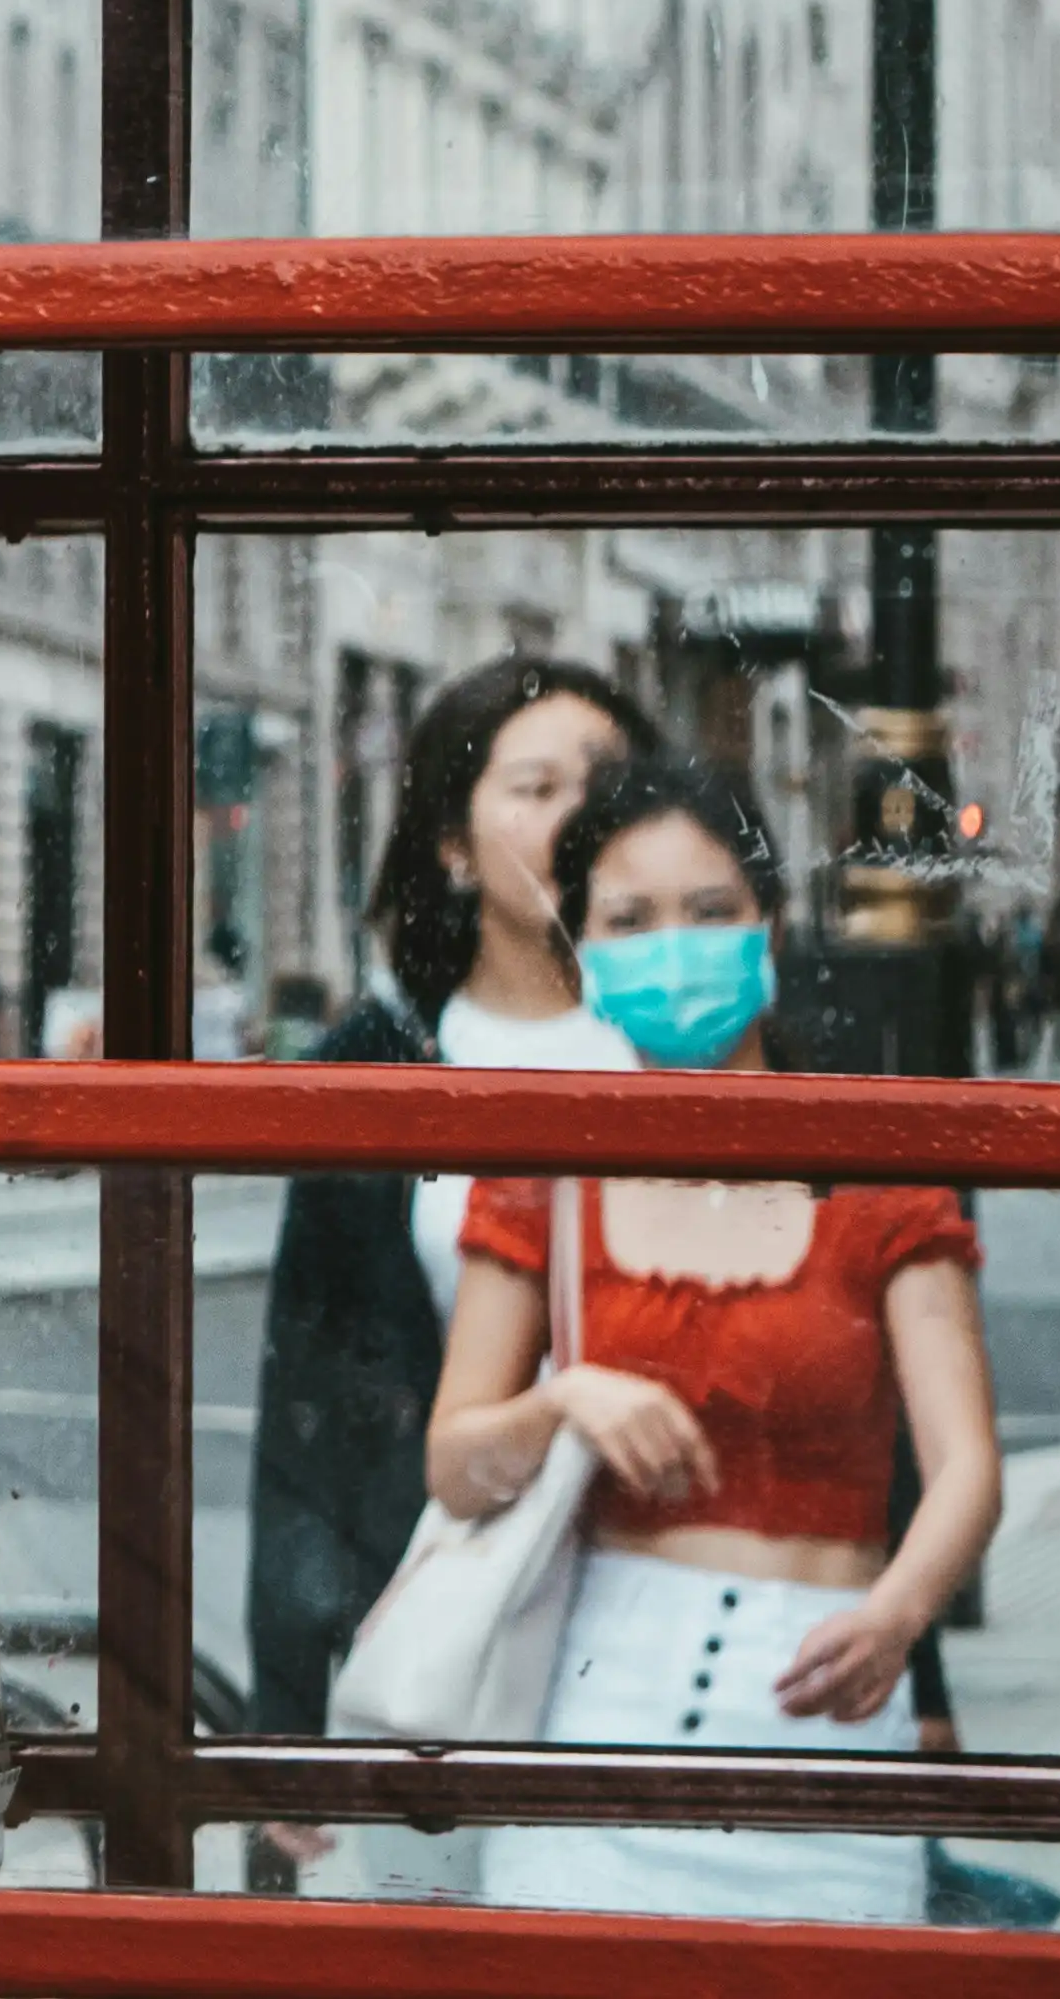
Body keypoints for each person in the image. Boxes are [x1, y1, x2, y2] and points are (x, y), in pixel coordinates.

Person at [429, 748, 1001, 1925]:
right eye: (629, 918)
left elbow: (967, 1466)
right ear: (583, 957)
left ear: (768, 930)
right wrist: (564, 1398)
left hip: (828, 1705)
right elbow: (453, 1455)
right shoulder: (546, 1175)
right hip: (597, 1705)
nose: (672, 944)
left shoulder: (877, 1174)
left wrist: (898, 1614)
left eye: (709, 911)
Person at [245, 654, 646, 1740]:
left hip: (662, 1615)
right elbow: (311, 1389)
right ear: (454, 846)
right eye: (535, 786)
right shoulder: (380, 1060)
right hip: (446, 1624)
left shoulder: (699, 1041)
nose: (580, 815)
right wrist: (285, 1699)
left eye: (606, 781)